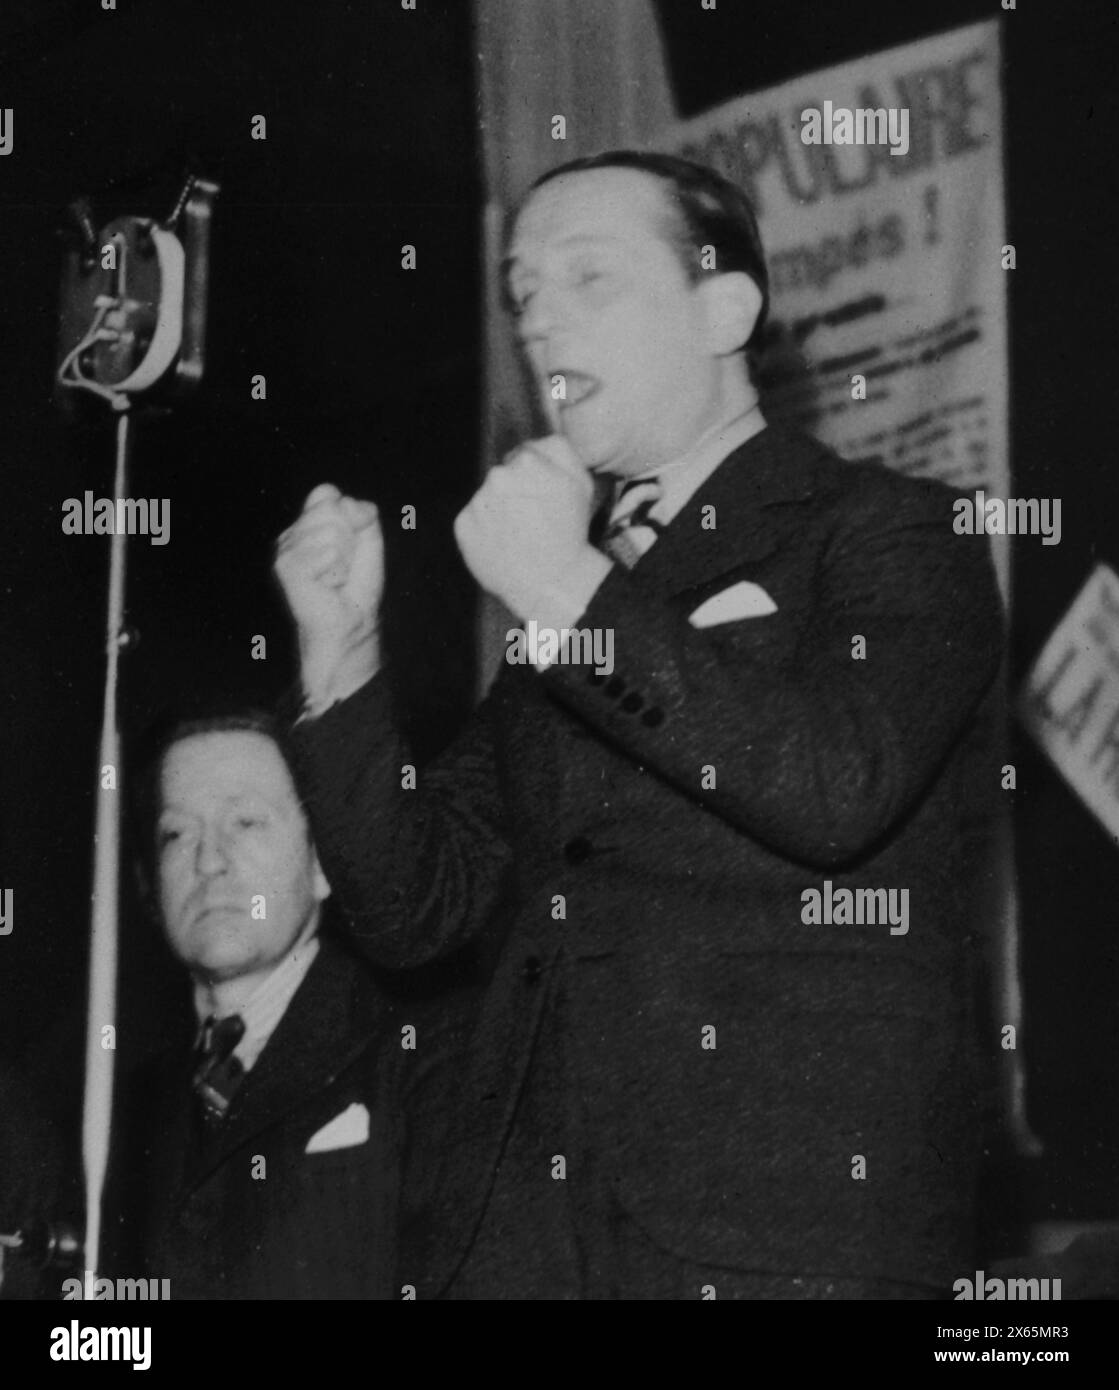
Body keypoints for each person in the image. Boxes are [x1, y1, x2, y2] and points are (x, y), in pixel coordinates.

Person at [274, 151, 1005, 1299]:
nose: (540, 321)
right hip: (523, 1233)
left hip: (783, 1228)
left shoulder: (893, 531)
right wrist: (341, 653)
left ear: (726, 307)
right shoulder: (583, 593)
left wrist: (564, 585)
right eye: (523, 296)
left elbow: (836, 781)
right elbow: (418, 907)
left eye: (588, 278)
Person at [124, 712, 400, 1299]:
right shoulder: (131, 1109)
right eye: (177, 833)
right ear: (148, 885)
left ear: (323, 863)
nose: (208, 862)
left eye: (245, 822)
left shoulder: (408, 1050)